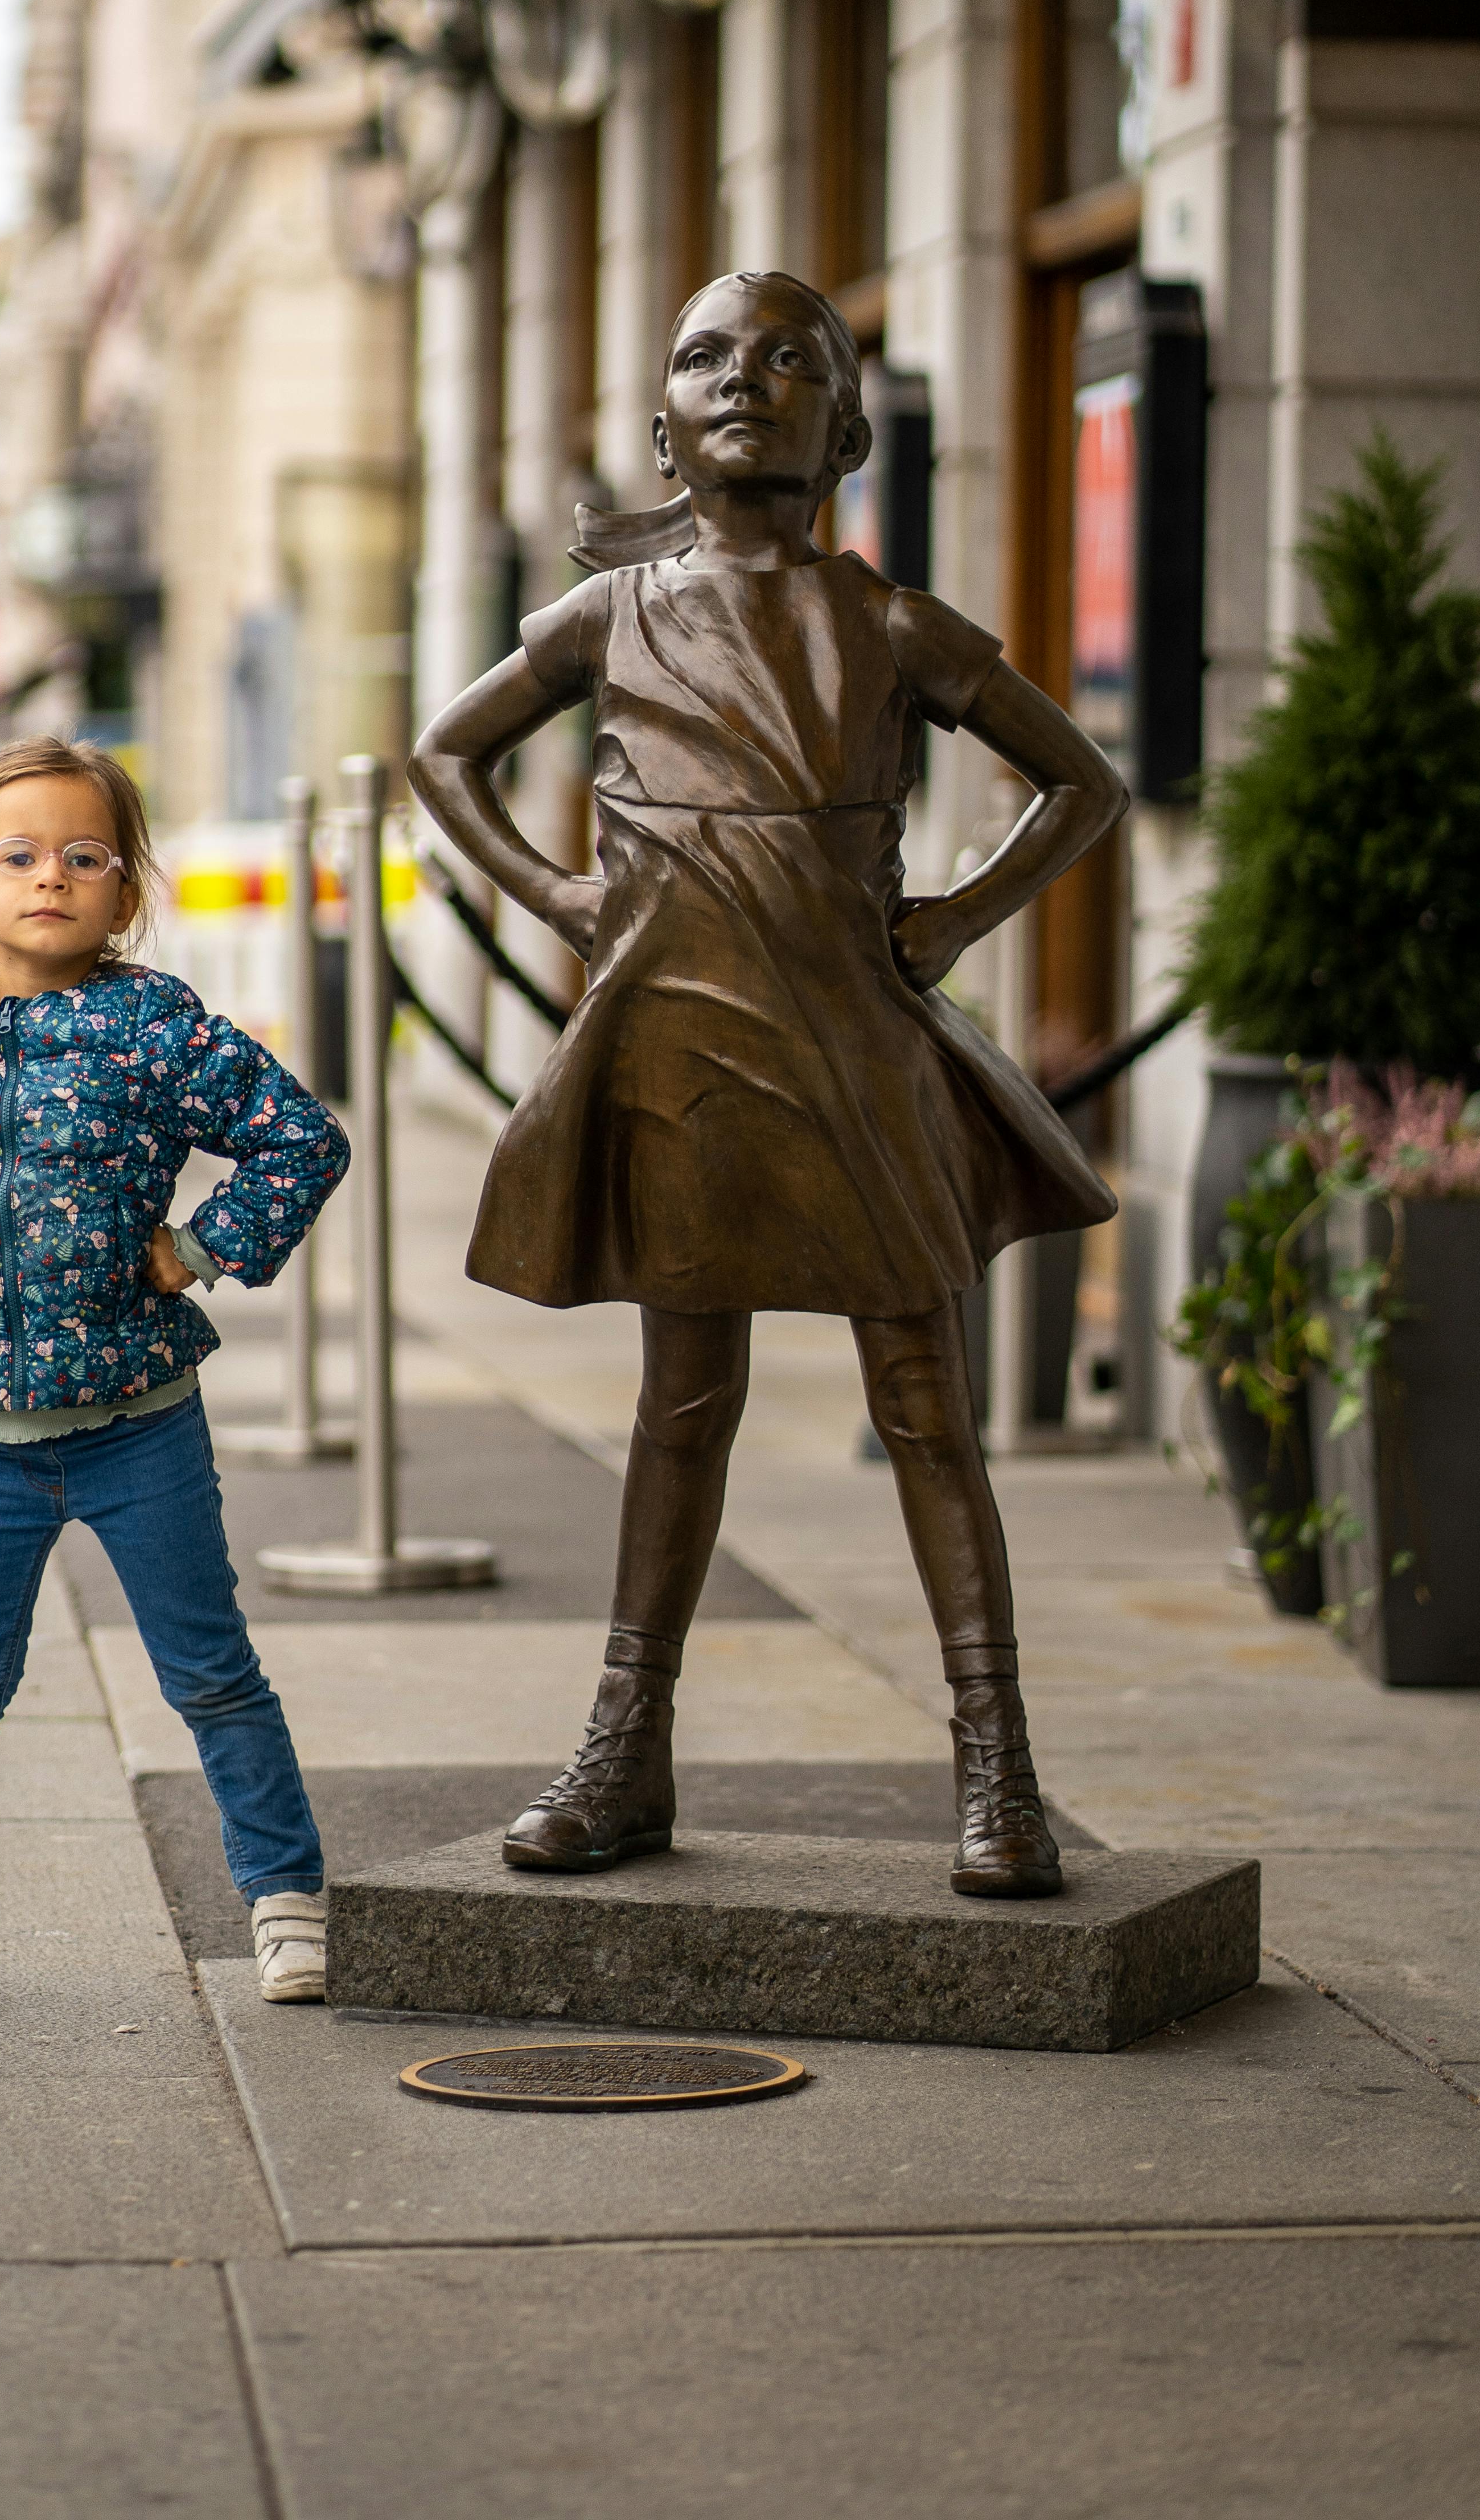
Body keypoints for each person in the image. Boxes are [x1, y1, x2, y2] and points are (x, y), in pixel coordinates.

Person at [410, 270, 1127, 1901]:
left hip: (859, 1054)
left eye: (793, 359)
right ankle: (625, 1743)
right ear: (664, 428)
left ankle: (997, 1762)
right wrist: (565, 897)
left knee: (928, 1408)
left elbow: (1081, 782)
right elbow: (443, 754)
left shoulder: (887, 624)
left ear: (847, 427)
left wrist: (949, 920)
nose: (749, 378)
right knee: (681, 1405)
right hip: (675, 1042)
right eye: (708, 356)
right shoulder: (613, 617)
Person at [0, 734, 350, 2016]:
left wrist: (198, 1249)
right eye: (18, 856)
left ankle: (288, 1895)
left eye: (85, 857)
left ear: (124, 896)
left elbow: (299, 1141)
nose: (52, 878)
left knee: (207, 1673)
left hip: (140, 1427)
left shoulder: (150, 1026)